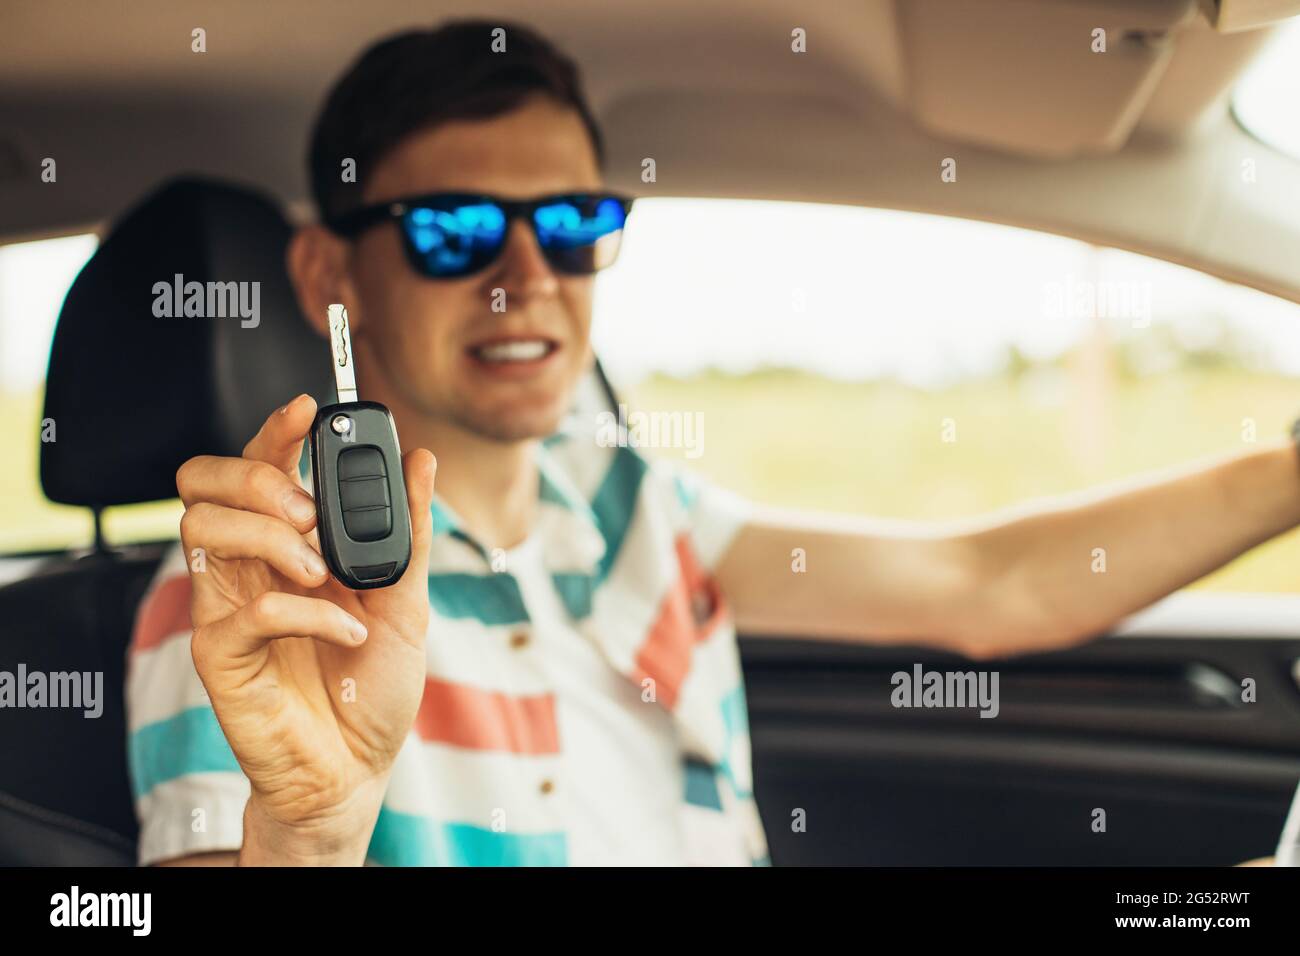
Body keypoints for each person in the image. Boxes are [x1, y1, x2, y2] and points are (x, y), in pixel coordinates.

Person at [127, 19, 1300, 866]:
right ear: (333, 272)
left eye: (578, 224)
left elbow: (982, 583)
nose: (528, 276)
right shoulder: (260, 591)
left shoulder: (626, 501)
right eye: (454, 230)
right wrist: (308, 838)